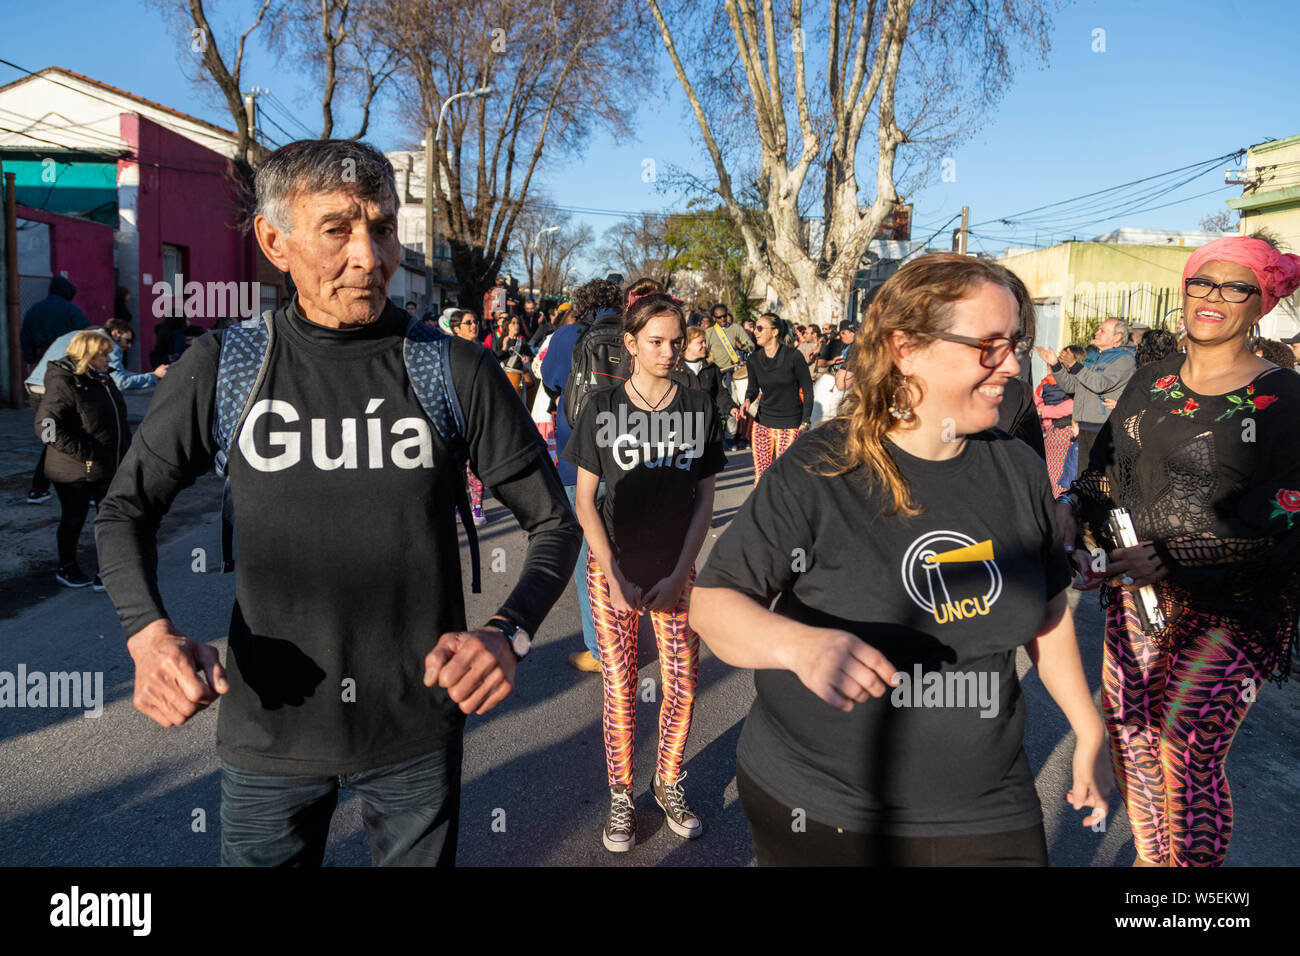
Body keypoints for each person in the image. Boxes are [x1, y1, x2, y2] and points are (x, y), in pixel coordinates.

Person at [94, 139, 580, 867]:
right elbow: (124, 509)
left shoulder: (454, 369)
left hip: (415, 733)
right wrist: (148, 636)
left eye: (382, 227)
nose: (369, 255)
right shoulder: (224, 366)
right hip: (269, 736)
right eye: (338, 229)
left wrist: (509, 633)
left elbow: (553, 521)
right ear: (273, 241)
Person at [690, 253, 1111, 866]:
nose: (1012, 365)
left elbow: (1047, 611)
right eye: (988, 346)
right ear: (905, 348)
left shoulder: (1017, 469)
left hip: (987, 803)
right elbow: (714, 602)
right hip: (824, 805)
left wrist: (1088, 725)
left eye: (1015, 343)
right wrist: (799, 647)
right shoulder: (820, 468)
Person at [1058, 234, 1300, 867]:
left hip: (1234, 607)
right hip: (1136, 596)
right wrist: (1070, 512)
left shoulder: (1288, 400)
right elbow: (1106, 468)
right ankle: (1151, 862)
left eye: (1234, 286)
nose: (1211, 297)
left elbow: (1290, 515)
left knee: (1184, 740)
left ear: (1262, 304)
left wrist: (1179, 555)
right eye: (1200, 282)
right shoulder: (1150, 380)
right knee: (1131, 739)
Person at [562, 293, 727, 852]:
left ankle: (669, 780)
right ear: (630, 343)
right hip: (614, 567)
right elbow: (585, 501)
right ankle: (621, 795)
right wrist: (610, 572)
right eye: (655, 341)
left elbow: (705, 500)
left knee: (682, 682)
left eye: (676, 341)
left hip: (676, 568)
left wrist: (683, 572)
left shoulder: (698, 406)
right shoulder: (602, 406)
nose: (669, 351)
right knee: (621, 685)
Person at [541, 279, 625, 674]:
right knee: (629, 552)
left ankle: (601, 649)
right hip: (631, 460)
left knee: (587, 563)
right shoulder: (635, 334)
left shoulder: (565, 337)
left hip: (579, 463)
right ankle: (634, 631)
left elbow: (552, 383)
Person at [36, 330, 129, 589]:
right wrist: (84, 451)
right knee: (74, 519)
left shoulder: (102, 379)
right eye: (104, 354)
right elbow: (46, 427)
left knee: (109, 517)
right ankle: (67, 568)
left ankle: (106, 570)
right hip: (73, 469)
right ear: (88, 355)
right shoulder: (64, 381)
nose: (110, 358)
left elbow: (116, 421)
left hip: (108, 464)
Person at [1036, 318, 1136, 470]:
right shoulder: (1093, 356)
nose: (1097, 332)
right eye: (1098, 329)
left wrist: (1074, 365)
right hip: (1083, 427)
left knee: (1100, 480)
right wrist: (1056, 365)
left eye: (1102, 330)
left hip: (1104, 429)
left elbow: (1100, 384)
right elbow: (1072, 386)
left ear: (1117, 338)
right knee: (1082, 478)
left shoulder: (1125, 360)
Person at [737, 313, 813, 484]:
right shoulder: (754, 359)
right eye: (755, 328)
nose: (755, 332)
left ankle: (785, 510)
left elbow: (808, 390)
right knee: (761, 477)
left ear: (775, 332)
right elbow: (752, 388)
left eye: (760, 328)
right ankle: (760, 511)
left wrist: (805, 421)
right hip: (762, 422)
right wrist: (748, 400)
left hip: (790, 424)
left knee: (784, 477)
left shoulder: (794, 357)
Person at [681, 327, 735, 427]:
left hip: (709, 424)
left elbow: (720, 393)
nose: (705, 345)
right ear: (687, 344)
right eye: (700, 342)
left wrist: (731, 407)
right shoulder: (674, 370)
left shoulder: (711, 368)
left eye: (705, 342)